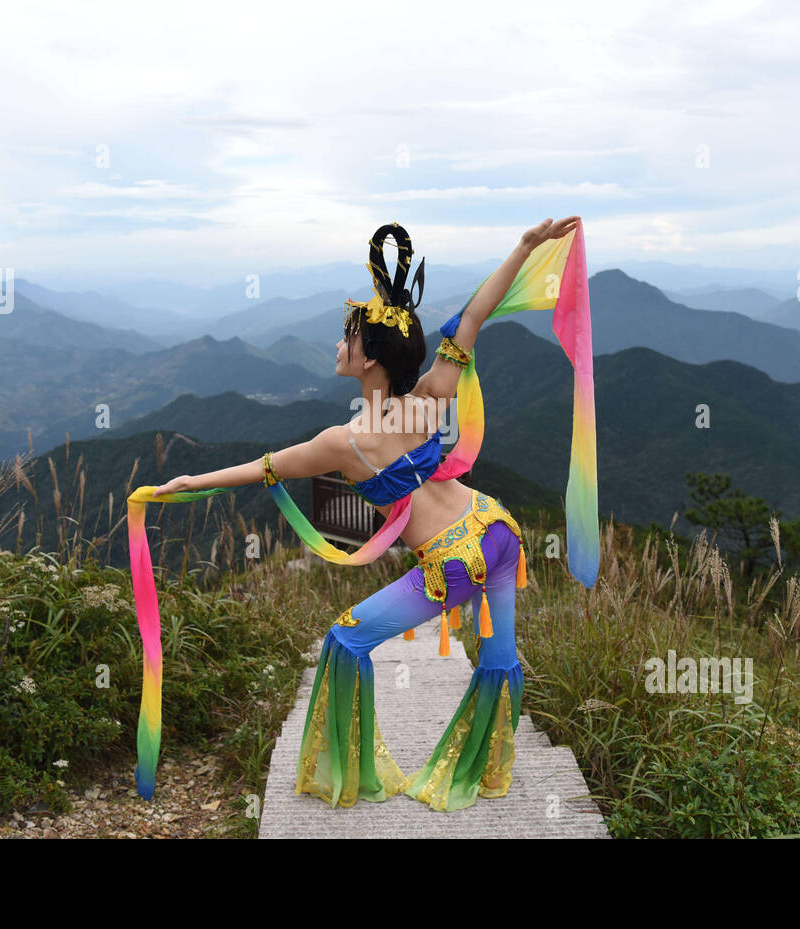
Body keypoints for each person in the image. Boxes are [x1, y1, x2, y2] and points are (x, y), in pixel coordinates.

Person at [152, 217, 581, 812]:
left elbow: (265, 467)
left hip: (454, 559)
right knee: (501, 659)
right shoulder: (430, 397)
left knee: (346, 639)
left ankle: (356, 776)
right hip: (498, 528)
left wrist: (192, 480)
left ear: (370, 358)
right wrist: (525, 247)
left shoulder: (343, 443)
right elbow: (472, 318)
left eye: (346, 338)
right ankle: (487, 772)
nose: (337, 345)